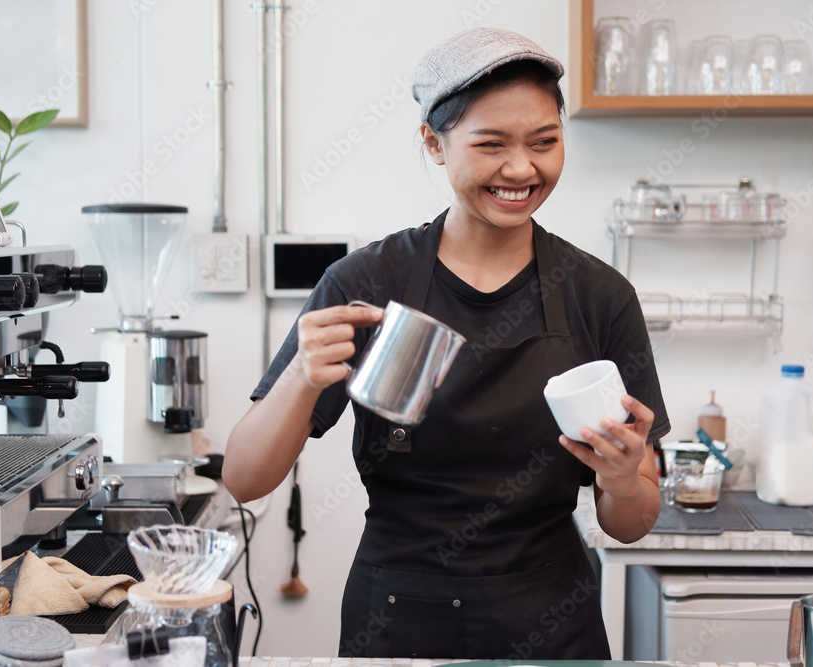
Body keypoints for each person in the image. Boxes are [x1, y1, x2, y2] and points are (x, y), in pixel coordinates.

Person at [224, 27, 670, 659]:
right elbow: (243, 482)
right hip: (397, 619)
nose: (522, 169)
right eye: (491, 145)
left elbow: (631, 524)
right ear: (434, 143)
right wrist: (300, 376)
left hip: (550, 617)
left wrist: (625, 481)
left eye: (544, 142)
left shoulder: (599, 295)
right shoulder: (363, 283)